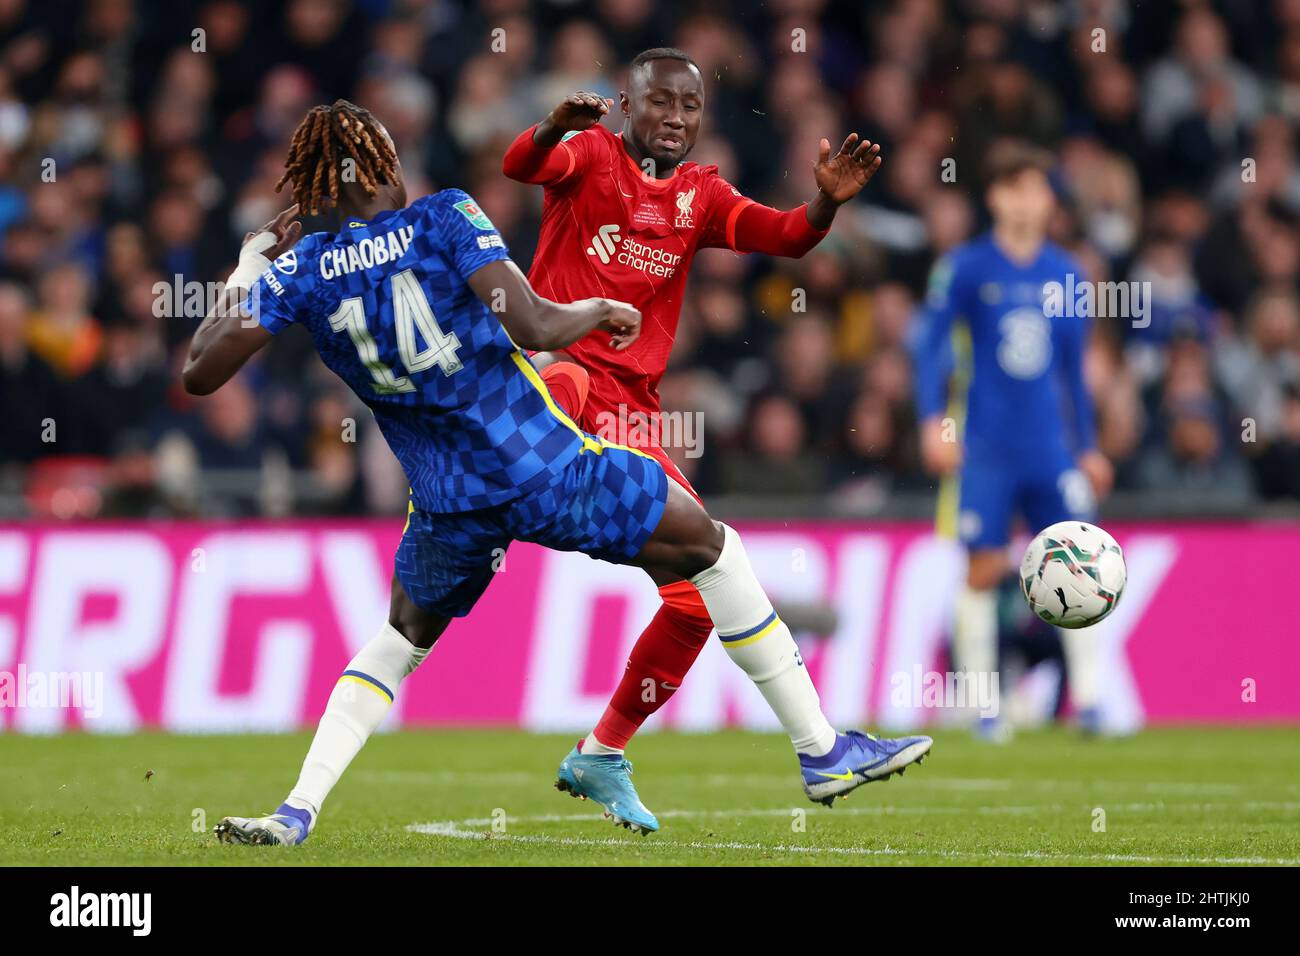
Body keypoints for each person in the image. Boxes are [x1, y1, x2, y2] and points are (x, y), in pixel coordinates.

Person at [186, 100, 930, 845]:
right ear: (378, 166)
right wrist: (601, 309)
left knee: (397, 642)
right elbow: (533, 324)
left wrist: (249, 265)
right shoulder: (443, 217)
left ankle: (295, 811)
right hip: (543, 468)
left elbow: (199, 372)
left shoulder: (299, 273)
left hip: (450, 503)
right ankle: (820, 751)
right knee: (712, 549)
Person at [502, 47, 884, 785]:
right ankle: (821, 750)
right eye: (661, 102)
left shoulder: (699, 196)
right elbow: (521, 165)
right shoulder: (587, 155)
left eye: (690, 107)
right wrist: (553, 123)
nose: (677, 119)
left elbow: (786, 237)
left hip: (634, 415)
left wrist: (827, 204)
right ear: (627, 103)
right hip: (565, 393)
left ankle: (602, 751)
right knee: (717, 557)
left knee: (696, 598)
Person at [912, 141, 1113, 739]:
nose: (1030, 201)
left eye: (1040, 189)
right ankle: (985, 708)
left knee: (1082, 570)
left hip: (1051, 448)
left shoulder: (1067, 273)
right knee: (982, 568)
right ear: (996, 196)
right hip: (987, 447)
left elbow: (1075, 370)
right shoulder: (966, 267)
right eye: (1017, 188)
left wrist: (1090, 445)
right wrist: (933, 422)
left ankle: (1093, 703)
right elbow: (931, 350)